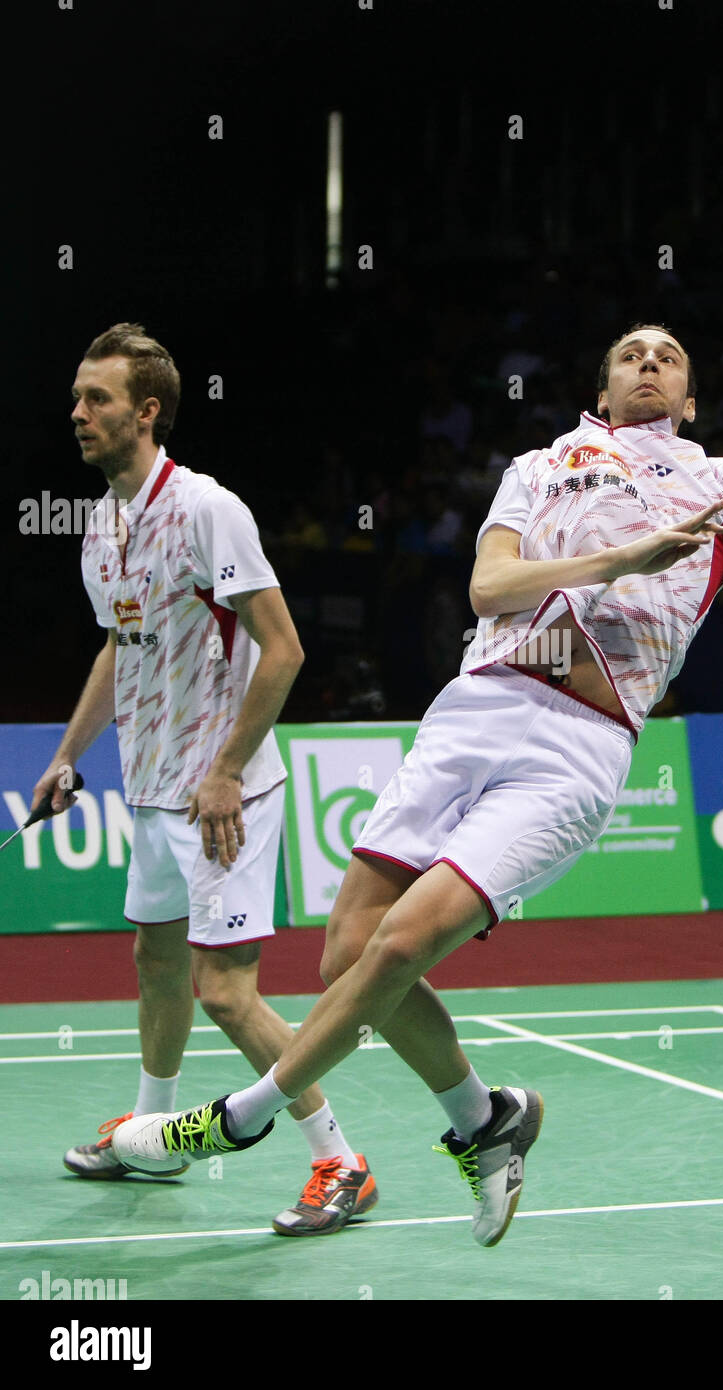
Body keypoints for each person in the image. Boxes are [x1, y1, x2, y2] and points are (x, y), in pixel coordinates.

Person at [111, 275, 723, 1248]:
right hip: (471, 710)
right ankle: (482, 1119)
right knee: (344, 948)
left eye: (668, 355)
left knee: (401, 946)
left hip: (577, 743)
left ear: (691, 399)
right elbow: (490, 583)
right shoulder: (539, 467)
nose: (649, 363)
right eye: (631, 353)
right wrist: (615, 563)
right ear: (603, 388)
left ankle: (239, 1118)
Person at [38, 323, 374, 1237]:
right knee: (155, 967)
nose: (78, 414)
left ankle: (341, 1162)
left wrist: (225, 768)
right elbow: (121, 645)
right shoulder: (100, 526)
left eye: (96, 400)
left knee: (224, 990)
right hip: (149, 790)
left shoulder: (207, 510)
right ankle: (151, 1133)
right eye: (76, 397)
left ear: (146, 413)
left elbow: (284, 647)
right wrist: (68, 754)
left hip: (224, 797)